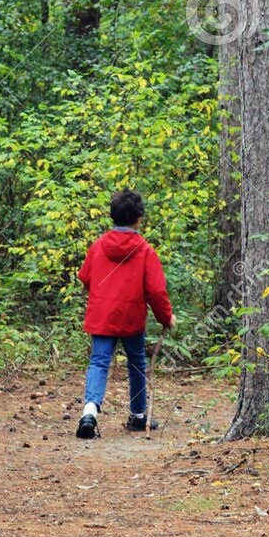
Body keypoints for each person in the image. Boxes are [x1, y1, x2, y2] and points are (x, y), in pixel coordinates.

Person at [75, 188, 173, 439]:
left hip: (102, 315)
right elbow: (156, 291)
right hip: (131, 317)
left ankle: (89, 412)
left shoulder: (98, 247)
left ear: (113, 216)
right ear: (139, 218)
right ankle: (139, 415)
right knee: (137, 365)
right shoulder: (144, 250)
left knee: (99, 362)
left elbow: (85, 277)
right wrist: (166, 317)